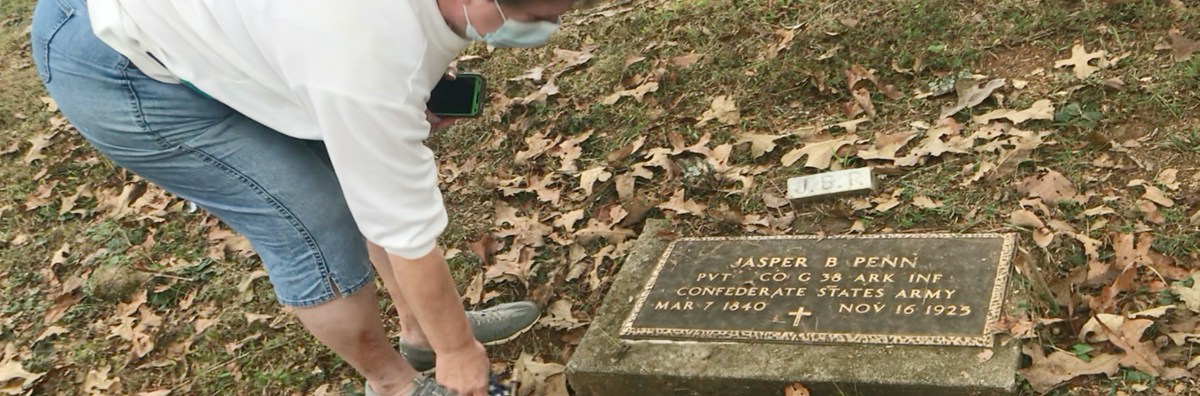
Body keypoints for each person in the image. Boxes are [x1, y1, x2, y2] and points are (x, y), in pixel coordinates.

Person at [30, 0, 583, 394]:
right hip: (112, 61)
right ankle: (392, 383)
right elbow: (404, 229)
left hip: (223, 26)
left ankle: (422, 333)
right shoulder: (359, 60)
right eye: (529, 16)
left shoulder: (370, 47)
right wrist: (460, 352)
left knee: (355, 166)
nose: (542, 28)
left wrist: (429, 56)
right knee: (313, 221)